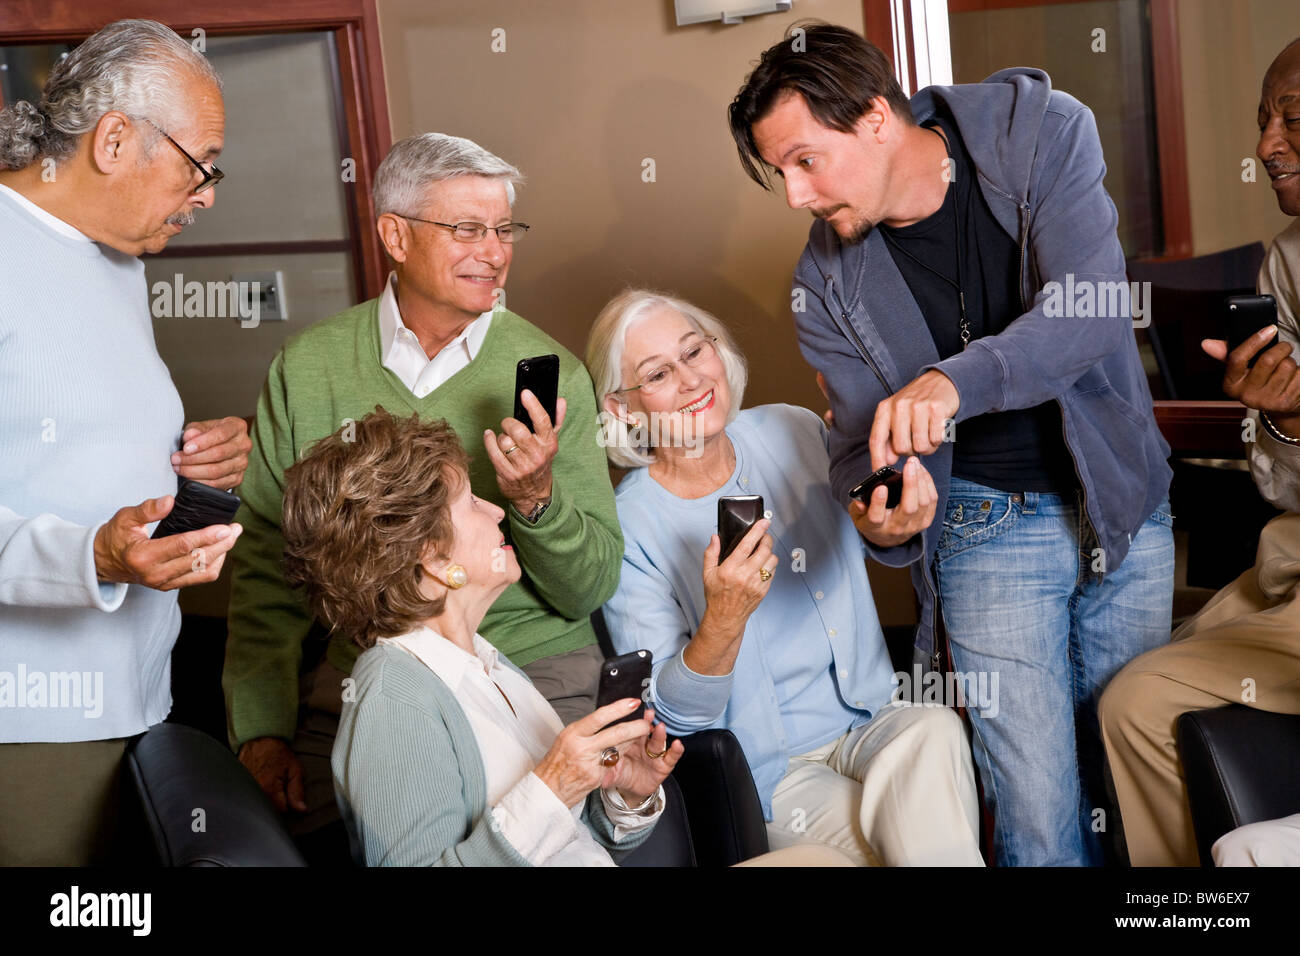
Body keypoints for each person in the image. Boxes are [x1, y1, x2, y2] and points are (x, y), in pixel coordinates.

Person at [728, 22, 1174, 866]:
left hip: (1122, 505)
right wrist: (880, 518)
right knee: (1041, 822)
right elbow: (862, 458)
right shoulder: (822, 284)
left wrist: (954, 381)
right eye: (777, 172)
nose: (793, 196)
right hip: (979, 530)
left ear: (873, 117)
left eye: (803, 160)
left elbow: (1090, 308)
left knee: (1140, 789)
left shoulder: (1042, 133)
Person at [223, 133, 623, 845]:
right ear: (394, 235)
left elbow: (588, 589)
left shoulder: (550, 369)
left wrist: (535, 502)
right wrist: (260, 730)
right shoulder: (308, 367)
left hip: (533, 663)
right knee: (308, 844)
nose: (495, 251)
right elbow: (263, 567)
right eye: (467, 229)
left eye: (504, 229)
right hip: (367, 667)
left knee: (560, 839)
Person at [590, 289, 983, 866]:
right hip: (772, 772)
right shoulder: (630, 526)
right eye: (657, 374)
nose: (691, 379)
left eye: (694, 351)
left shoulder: (792, 430)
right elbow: (668, 719)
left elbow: (876, 526)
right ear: (623, 408)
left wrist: (895, 522)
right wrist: (723, 618)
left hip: (872, 719)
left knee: (934, 729)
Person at [0, 19, 251, 865]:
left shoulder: (119, 259)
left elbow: (66, 433)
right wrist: (95, 560)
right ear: (114, 139)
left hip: (141, 689)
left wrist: (184, 448)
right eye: (200, 162)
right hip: (29, 717)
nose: (207, 192)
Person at [276, 409, 678, 865]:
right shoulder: (393, 698)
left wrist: (624, 796)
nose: (495, 509)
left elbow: (567, 843)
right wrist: (552, 786)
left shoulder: (482, 661)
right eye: (470, 502)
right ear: (431, 557)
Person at [1100, 37, 1300, 867]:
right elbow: (1286, 488)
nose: (1265, 146)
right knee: (1132, 698)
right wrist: (1286, 421)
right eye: (1262, 123)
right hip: (1291, 581)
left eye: (1292, 119)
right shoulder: (1286, 262)